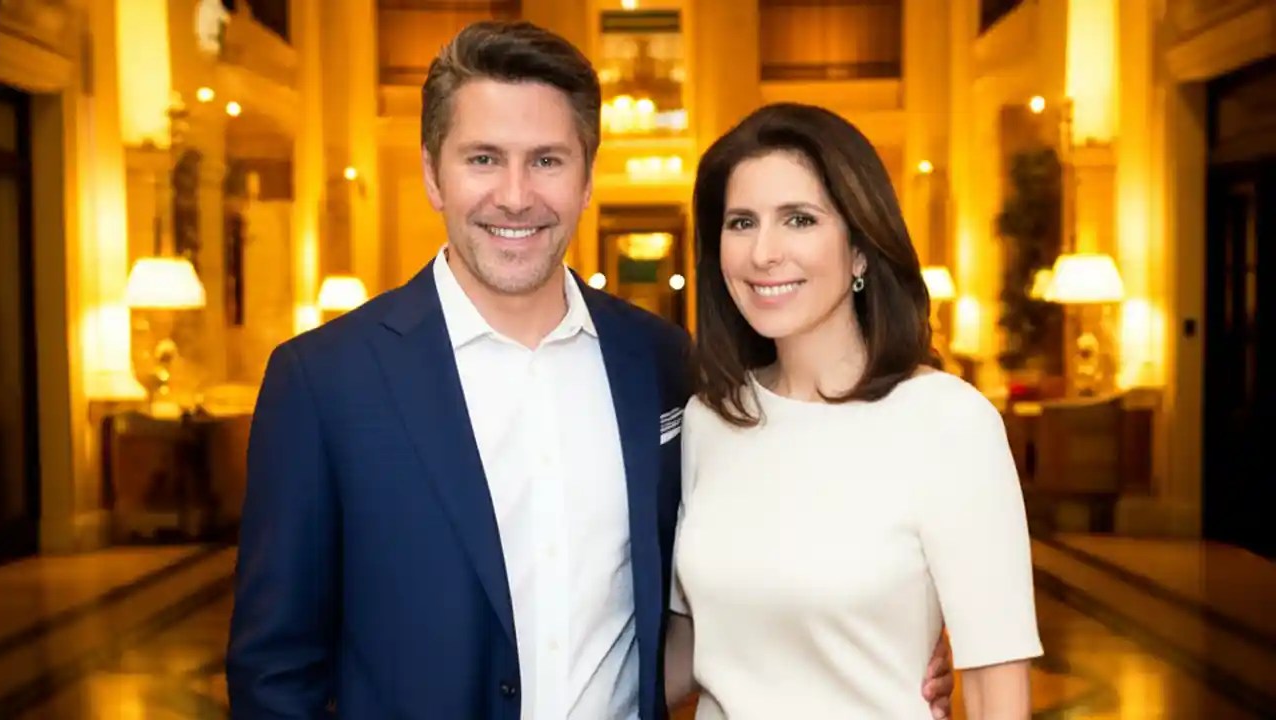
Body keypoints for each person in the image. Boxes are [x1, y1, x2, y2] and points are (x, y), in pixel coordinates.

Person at [226, 20, 955, 720]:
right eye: (483, 158)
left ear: (586, 178)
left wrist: (884, 642)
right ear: (432, 174)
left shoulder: (665, 366)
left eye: (546, 159)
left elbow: (736, 572)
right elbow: (274, 674)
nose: (515, 195)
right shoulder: (324, 382)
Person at [664, 103, 1043, 719]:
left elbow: (1001, 690)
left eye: (799, 219)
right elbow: (694, 647)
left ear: (862, 250)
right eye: (741, 222)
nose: (764, 252)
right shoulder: (711, 419)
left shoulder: (947, 423)